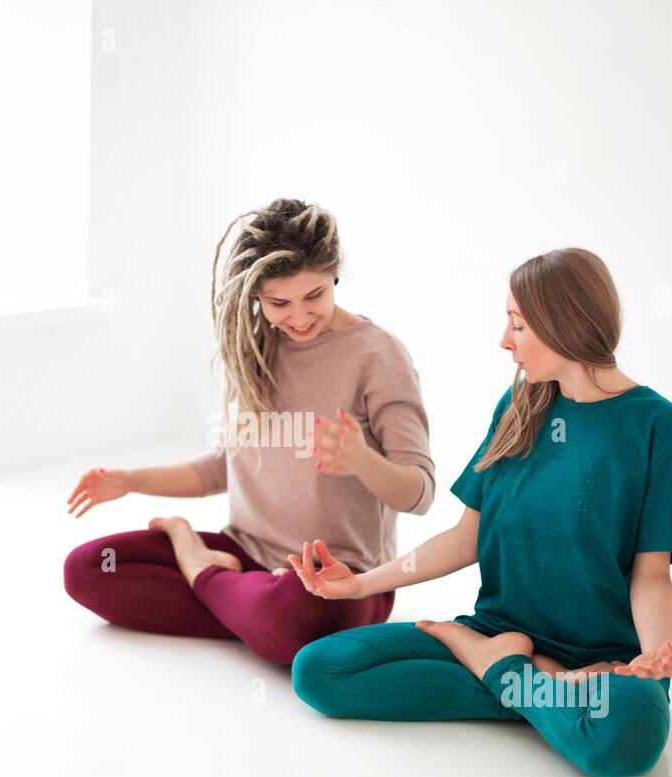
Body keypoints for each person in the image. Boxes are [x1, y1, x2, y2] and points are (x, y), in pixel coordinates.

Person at [287, 247, 672, 777]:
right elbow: (467, 537)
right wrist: (360, 585)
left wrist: (653, 657)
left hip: (605, 661)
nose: (505, 340)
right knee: (319, 671)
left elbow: (652, 576)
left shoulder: (660, 430)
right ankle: (537, 689)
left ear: (564, 324)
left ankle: (497, 670)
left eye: (519, 324)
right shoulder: (518, 408)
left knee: (625, 742)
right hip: (498, 628)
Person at [63, 198, 436, 665]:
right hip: (245, 554)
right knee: (88, 569)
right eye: (279, 302)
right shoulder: (254, 348)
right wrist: (131, 480)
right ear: (254, 295)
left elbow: (420, 494)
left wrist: (363, 460)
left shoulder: (378, 356)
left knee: (299, 617)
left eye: (314, 295)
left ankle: (201, 568)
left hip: (337, 579)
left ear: (335, 274)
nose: (299, 317)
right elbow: (226, 468)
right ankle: (244, 604)